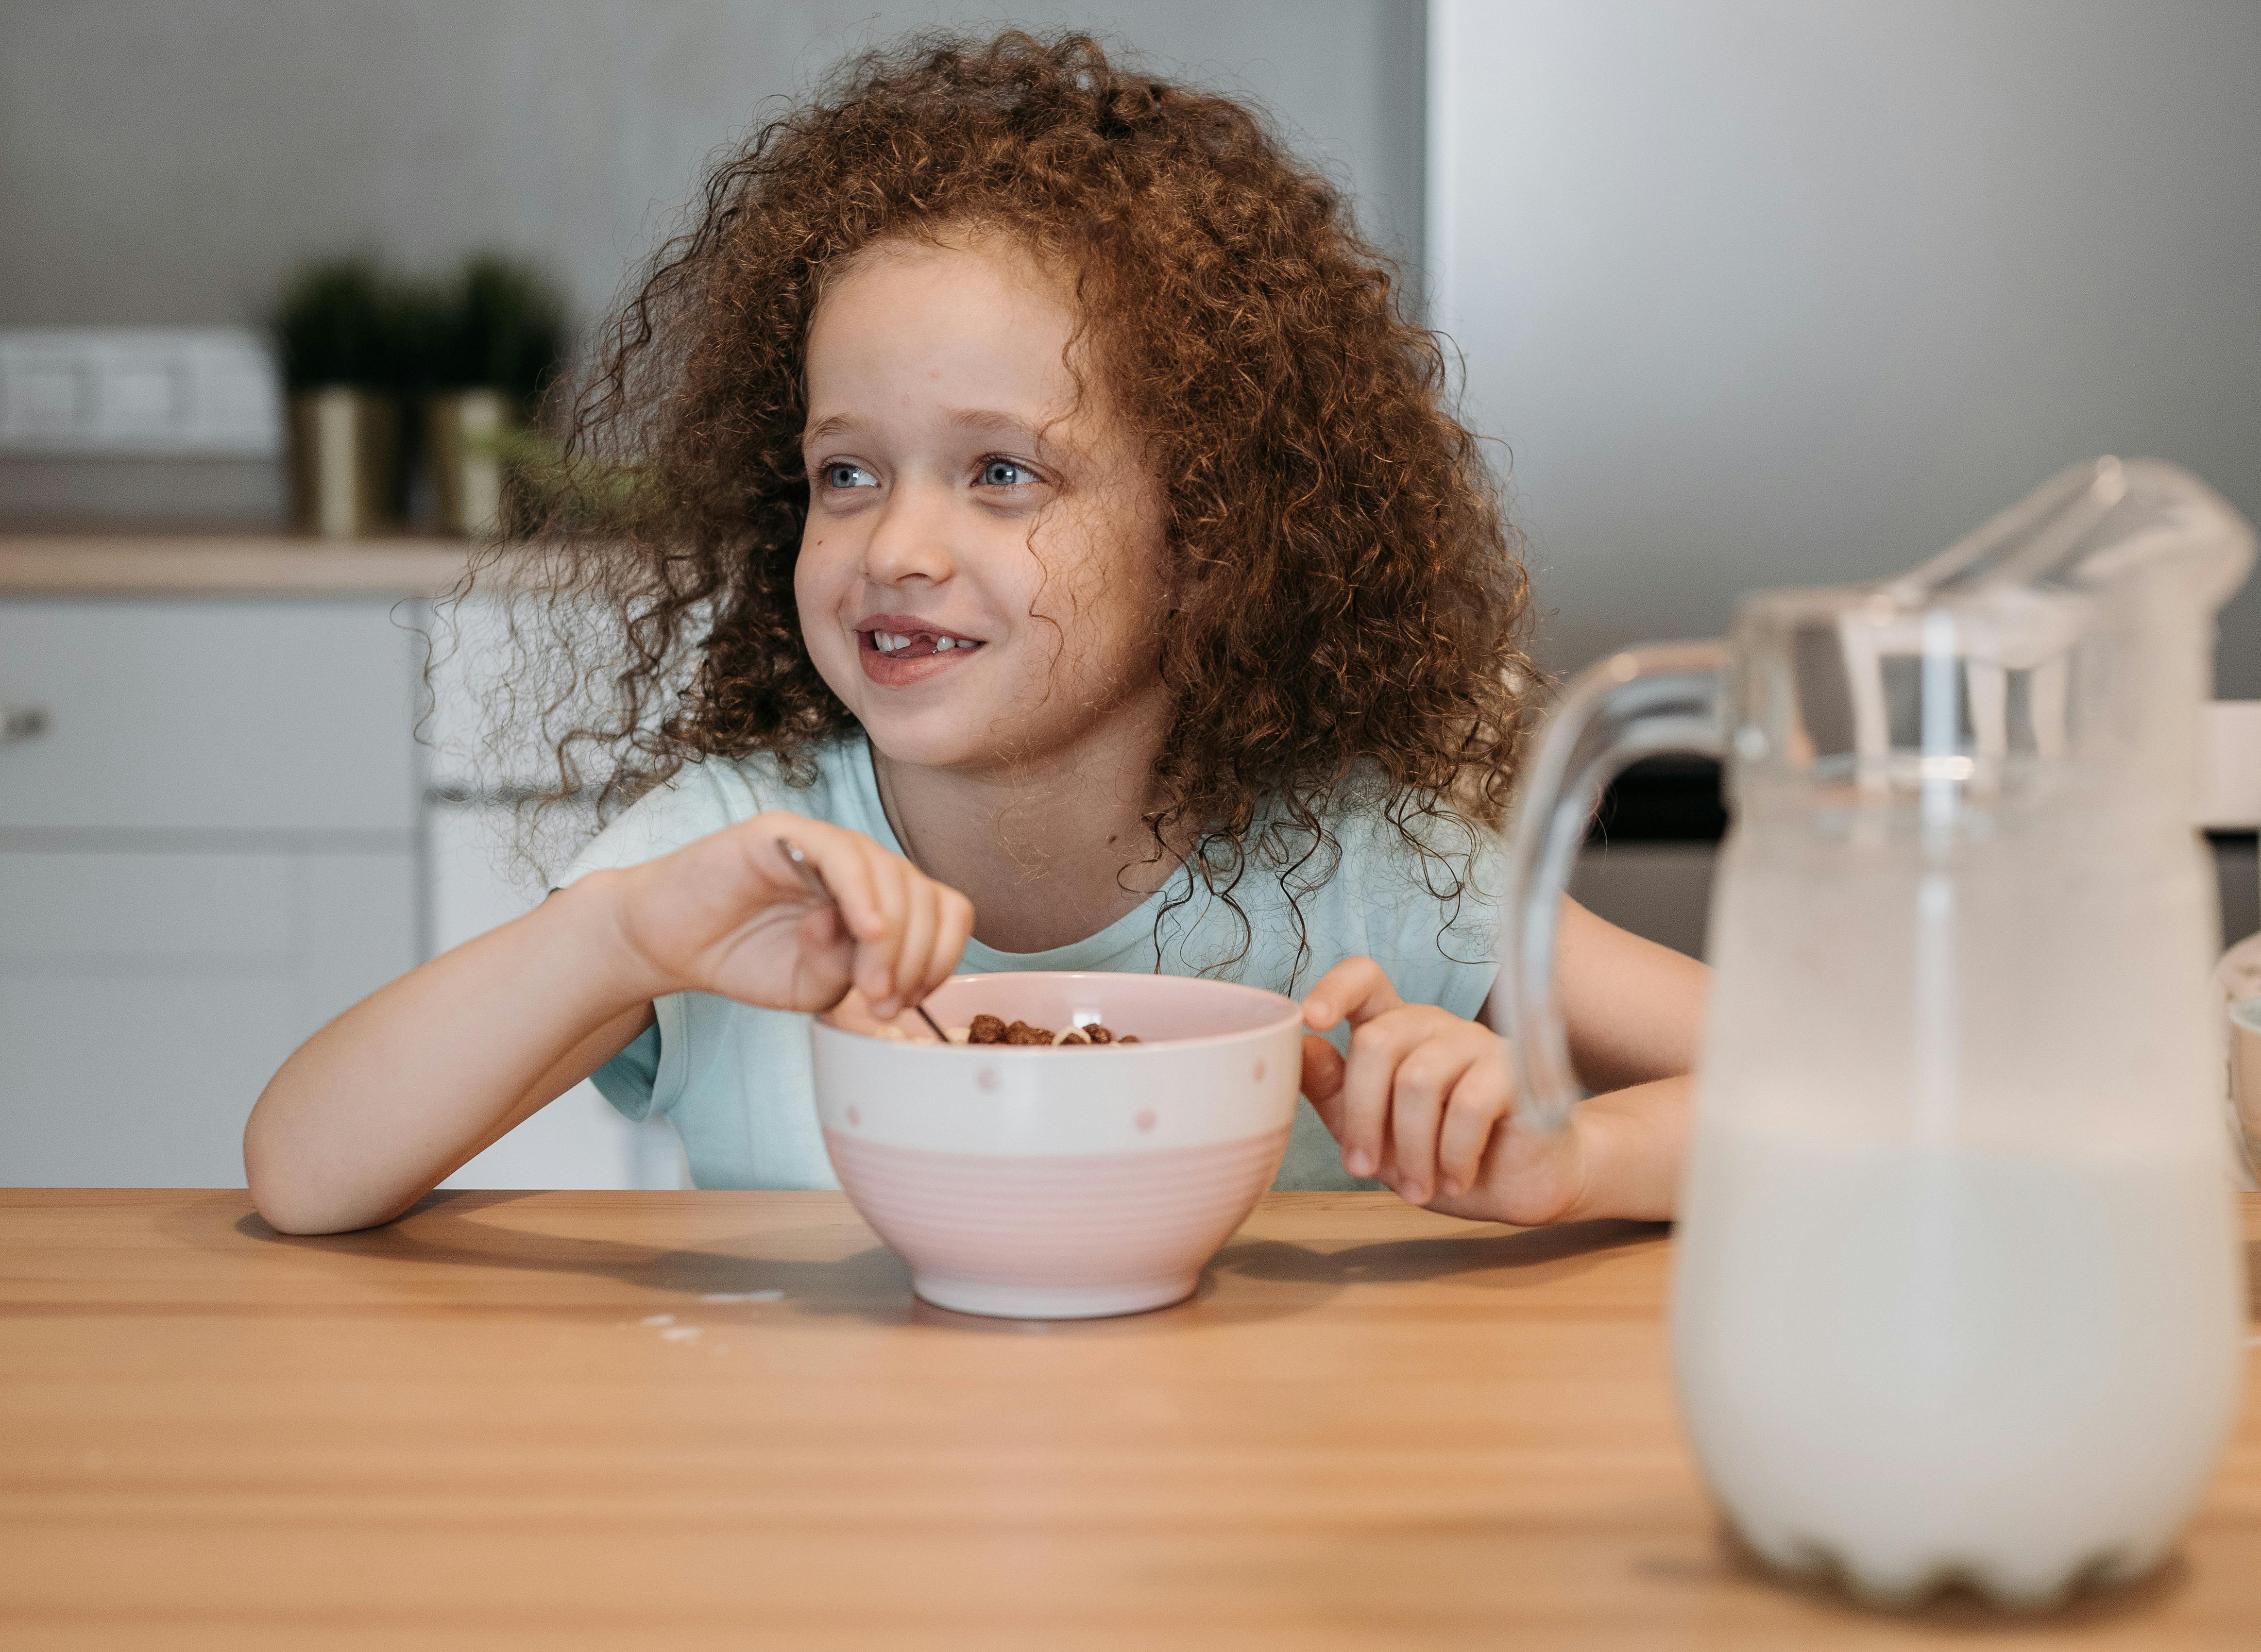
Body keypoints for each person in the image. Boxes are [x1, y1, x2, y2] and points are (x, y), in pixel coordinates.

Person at [243, 30, 1703, 1237]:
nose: (899, 546)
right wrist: (616, 936)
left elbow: (1859, 1092)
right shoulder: (735, 865)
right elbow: (305, 1170)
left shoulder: (1364, 873)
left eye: (1004, 473)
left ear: (1208, 541)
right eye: (847, 473)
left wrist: (1570, 1156)